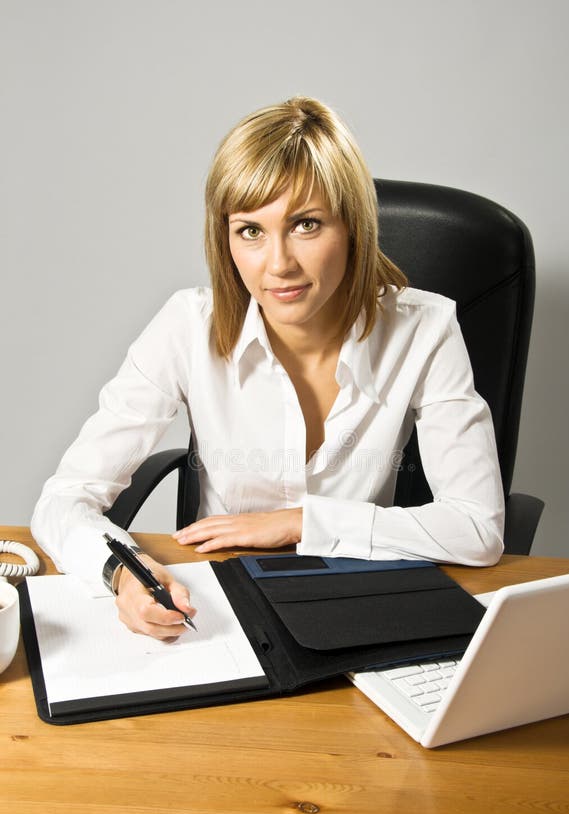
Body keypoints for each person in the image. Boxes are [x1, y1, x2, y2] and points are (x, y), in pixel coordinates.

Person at [31, 96, 505, 641]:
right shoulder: (188, 326)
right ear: (226, 239)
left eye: (306, 224)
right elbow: (63, 500)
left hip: (356, 594)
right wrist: (122, 572)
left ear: (353, 225)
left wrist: (301, 522)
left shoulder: (425, 328)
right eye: (250, 231)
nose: (278, 264)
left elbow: (478, 528)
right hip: (220, 601)